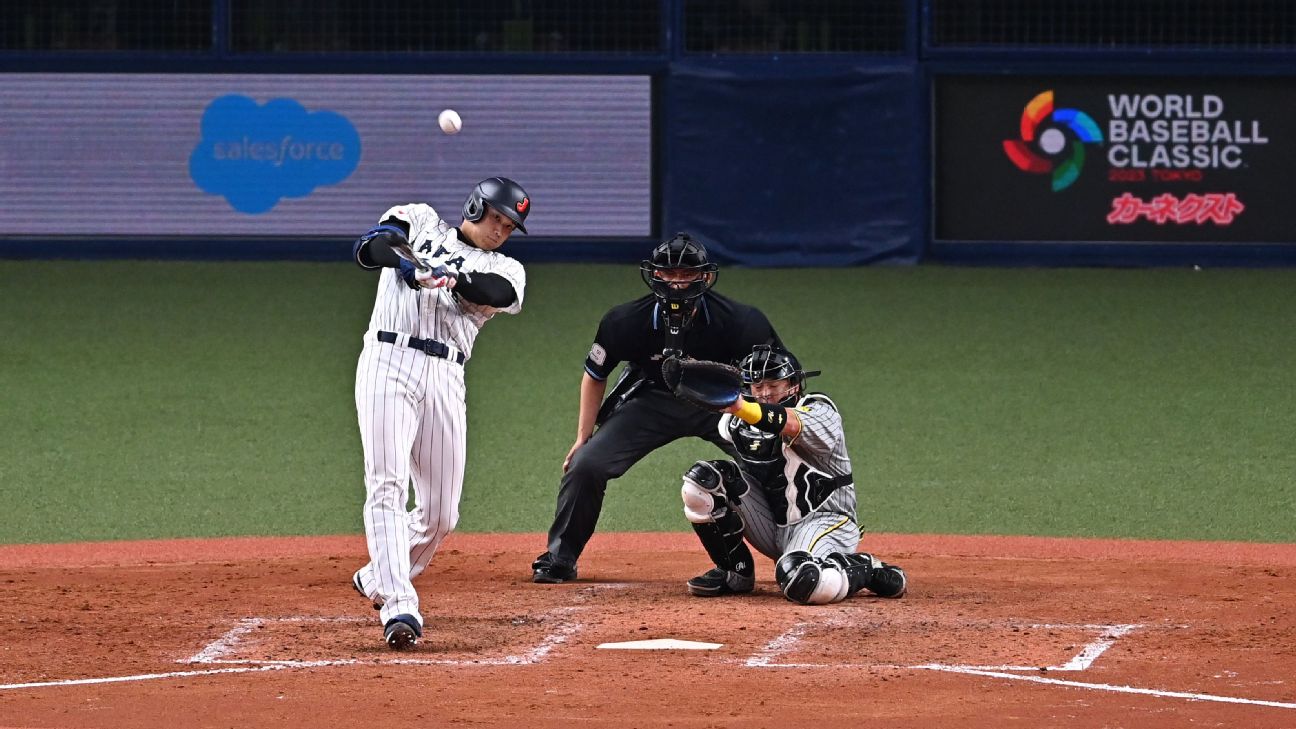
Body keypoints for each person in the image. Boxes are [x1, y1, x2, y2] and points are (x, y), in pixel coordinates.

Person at [531, 232, 782, 583]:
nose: (677, 283)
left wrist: (773, 428)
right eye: (669, 273)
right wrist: (582, 437)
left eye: (687, 273)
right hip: (653, 401)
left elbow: (778, 376)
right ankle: (560, 557)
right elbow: (595, 376)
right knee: (586, 464)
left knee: (775, 461)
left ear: (705, 276)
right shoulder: (623, 321)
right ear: (655, 274)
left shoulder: (742, 321)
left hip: (725, 404)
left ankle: (797, 552)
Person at [349, 177, 531, 649]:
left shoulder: (507, 267)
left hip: (446, 375)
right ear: (474, 208)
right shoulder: (421, 219)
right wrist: (409, 265)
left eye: (509, 226)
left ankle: (378, 575)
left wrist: (451, 277)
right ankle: (398, 604)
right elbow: (371, 247)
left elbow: (496, 292)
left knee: (441, 514)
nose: (500, 230)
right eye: (496, 218)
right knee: (387, 483)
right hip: (388, 361)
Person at [676, 344, 907, 604]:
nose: (765, 393)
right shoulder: (734, 423)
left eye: (773, 385)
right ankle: (734, 572)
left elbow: (792, 423)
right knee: (701, 481)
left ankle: (866, 568)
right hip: (773, 525)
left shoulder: (821, 411)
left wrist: (741, 407)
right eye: (757, 386)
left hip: (826, 522)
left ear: (794, 385)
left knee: (805, 582)